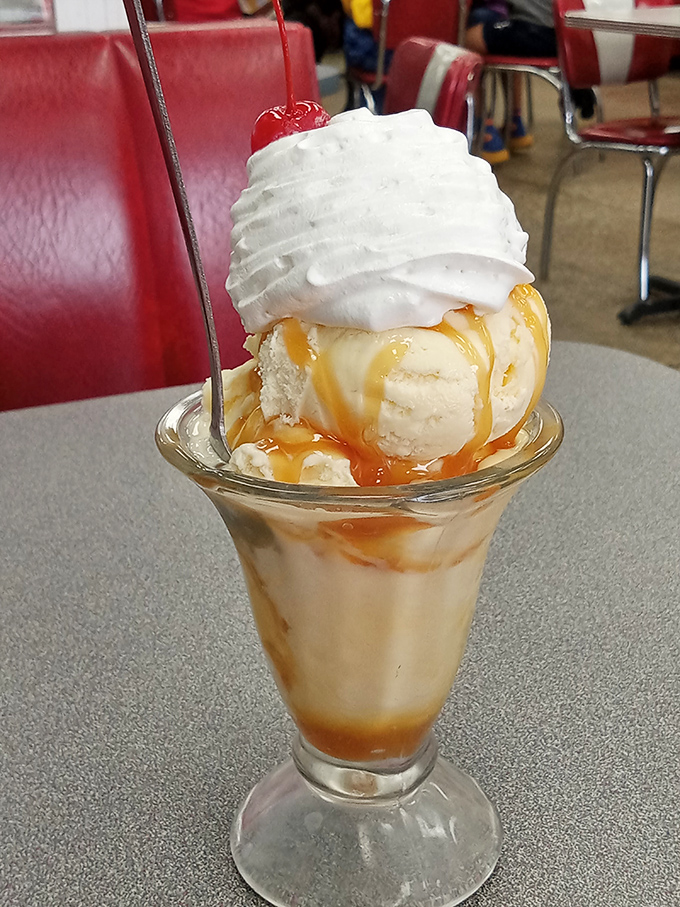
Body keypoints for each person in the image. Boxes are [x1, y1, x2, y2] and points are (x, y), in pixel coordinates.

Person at [465, 0, 595, 164]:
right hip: (567, 34)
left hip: (538, 31)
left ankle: (485, 132)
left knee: (467, 40)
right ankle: (515, 122)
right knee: (501, 37)